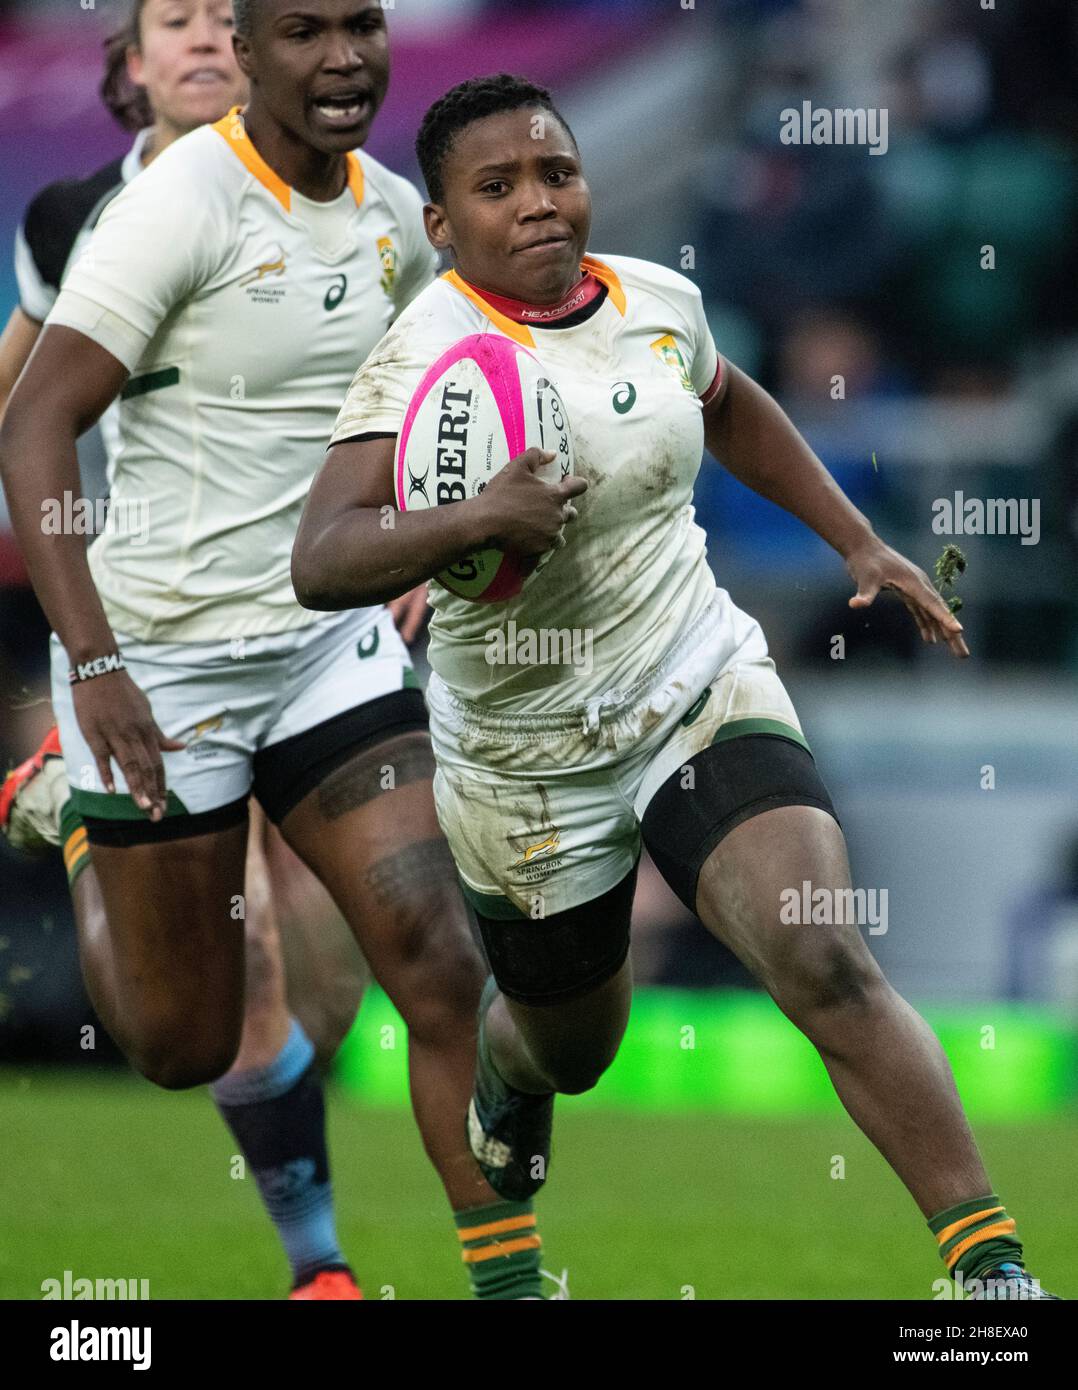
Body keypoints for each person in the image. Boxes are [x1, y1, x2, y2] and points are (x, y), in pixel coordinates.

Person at [291, 72, 1058, 1301]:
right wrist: (466, 524)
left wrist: (856, 541)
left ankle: (990, 1275)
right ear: (441, 222)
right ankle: (511, 1064)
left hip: (691, 676)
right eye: (497, 186)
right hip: (524, 751)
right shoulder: (417, 359)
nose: (538, 202)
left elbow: (731, 405)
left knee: (820, 951)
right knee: (573, 1045)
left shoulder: (659, 300)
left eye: (556, 173)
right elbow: (321, 557)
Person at [0, 8, 558, 1303]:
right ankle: (78, 817)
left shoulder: (394, 216)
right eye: (304, 31)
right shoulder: (170, 209)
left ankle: (511, 1285)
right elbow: (33, 427)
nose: (344, 56)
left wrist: (424, 547)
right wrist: (92, 665)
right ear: (253, 57)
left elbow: (434, 407)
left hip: (324, 648)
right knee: (181, 1040)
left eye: (362, 24)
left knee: (442, 963)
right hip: (161, 661)